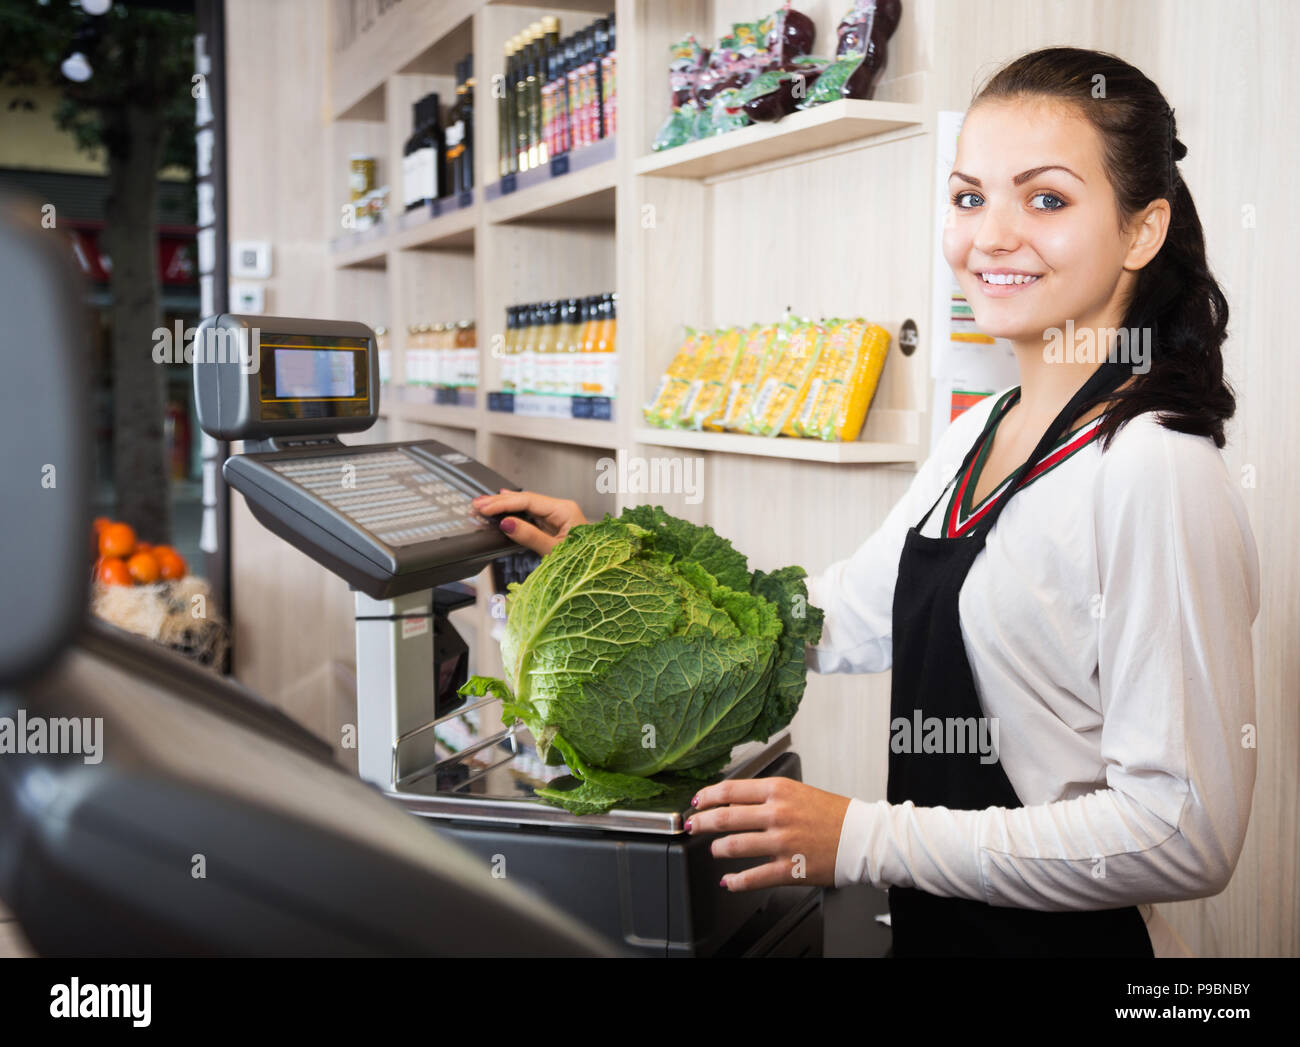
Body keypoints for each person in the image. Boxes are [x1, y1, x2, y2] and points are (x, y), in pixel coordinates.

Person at [470, 46, 1259, 958]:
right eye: (969, 197)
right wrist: (621, 567)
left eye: (1045, 199)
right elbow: (836, 615)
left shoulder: (1153, 470)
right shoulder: (982, 433)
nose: (991, 237)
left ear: (1141, 230)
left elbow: (1183, 832)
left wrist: (863, 836)